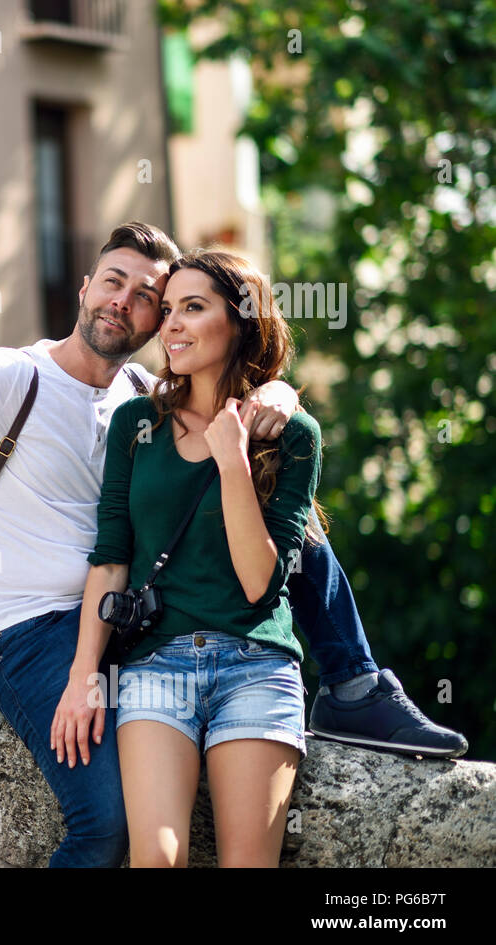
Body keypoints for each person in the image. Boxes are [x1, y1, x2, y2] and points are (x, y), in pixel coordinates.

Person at [0, 201, 466, 867]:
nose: (126, 302)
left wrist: (277, 401)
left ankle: (352, 683)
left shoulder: (144, 395)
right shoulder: (11, 377)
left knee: (285, 505)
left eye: (150, 296)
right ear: (85, 288)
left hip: (133, 621)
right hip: (34, 631)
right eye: (113, 281)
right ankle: (349, 680)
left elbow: (235, 383)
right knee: (105, 824)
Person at [57, 251, 316, 866]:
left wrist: (232, 458)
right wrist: (84, 673)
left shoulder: (293, 436)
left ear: (242, 321)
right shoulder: (136, 424)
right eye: (168, 309)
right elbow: (111, 557)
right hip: (155, 668)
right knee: (158, 860)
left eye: (192, 309)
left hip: (257, 668)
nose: (169, 325)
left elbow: (260, 583)